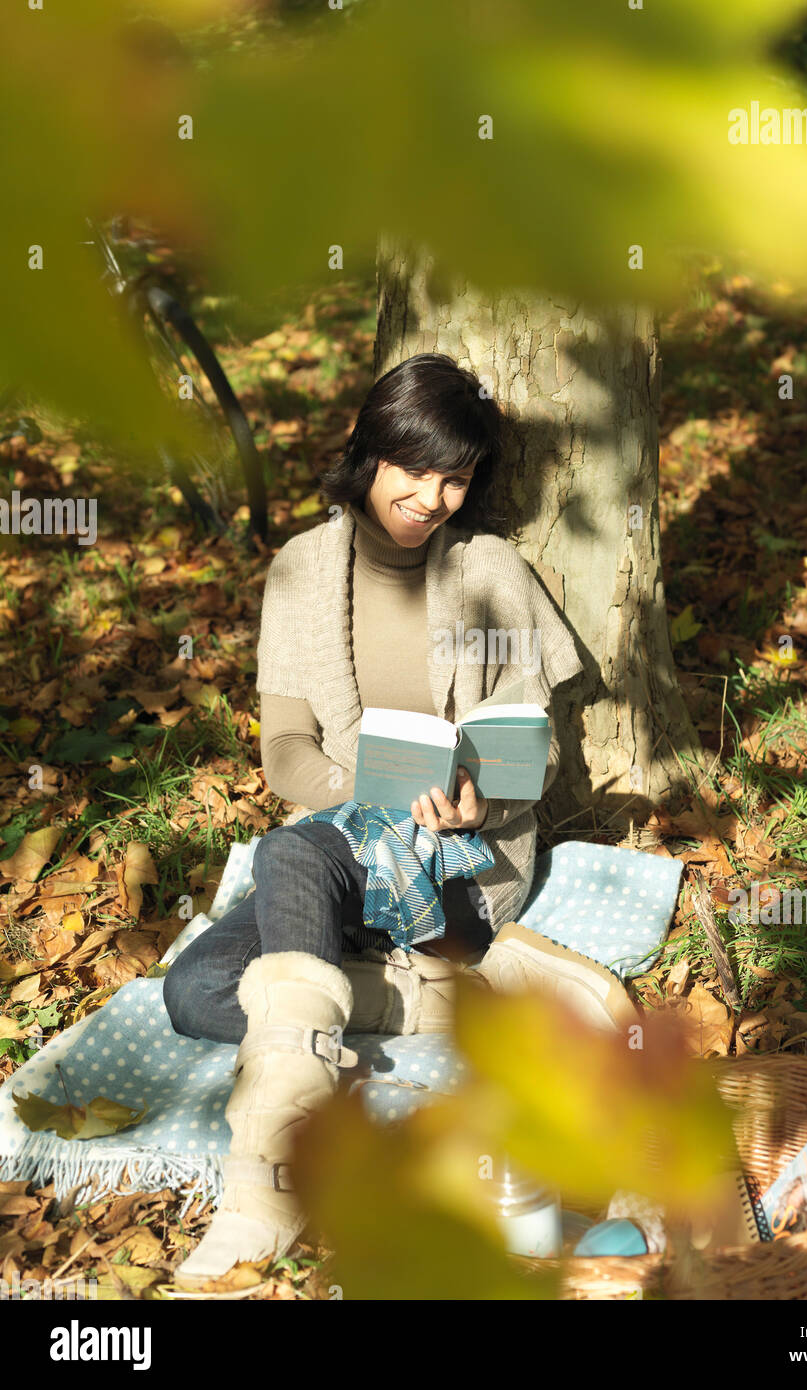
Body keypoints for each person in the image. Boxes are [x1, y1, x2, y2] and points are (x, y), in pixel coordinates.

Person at [164, 352, 633, 1287]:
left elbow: (529, 750)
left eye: (455, 476)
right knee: (197, 989)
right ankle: (449, 996)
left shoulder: (491, 570)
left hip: (460, 864)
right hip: (346, 854)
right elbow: (286, 753)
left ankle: (267, 1181)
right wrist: (366, 787)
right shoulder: (300, 570)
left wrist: (478, 798)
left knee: (289, 854)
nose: (431, 496)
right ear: (368, 456)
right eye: (413, 468)